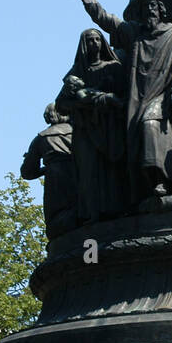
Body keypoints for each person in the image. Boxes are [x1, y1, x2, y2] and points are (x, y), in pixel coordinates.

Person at [73, 0, 172, 207]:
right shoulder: (134, 35)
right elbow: (105, 18)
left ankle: (161, 180)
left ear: (160, 9)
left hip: (165, 93)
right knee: (134, 138)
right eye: (144, 7)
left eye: (153, 6)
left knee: (150, 124)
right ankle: (142, 189)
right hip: (138, 96)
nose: (149, 10)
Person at [55, 32, 127, 221]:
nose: (94, 43)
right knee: (88, 170)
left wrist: (107, 101)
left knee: (112, 169)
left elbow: (126, 97)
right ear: (84, 45)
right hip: (85, 129)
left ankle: (114, 211)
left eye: (97, 39)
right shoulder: (77, 71)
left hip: (110, 126)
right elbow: (60, 104)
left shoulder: (114, 67)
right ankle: (90, 214)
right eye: (90, 40)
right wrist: (86, 104)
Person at [20, 103, 78, 239]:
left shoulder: (41, 138)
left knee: (57, 214)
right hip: (79, 172)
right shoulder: (78, 132)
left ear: (48, 116)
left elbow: (27, 172)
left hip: (55, 178)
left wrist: (45, 170)